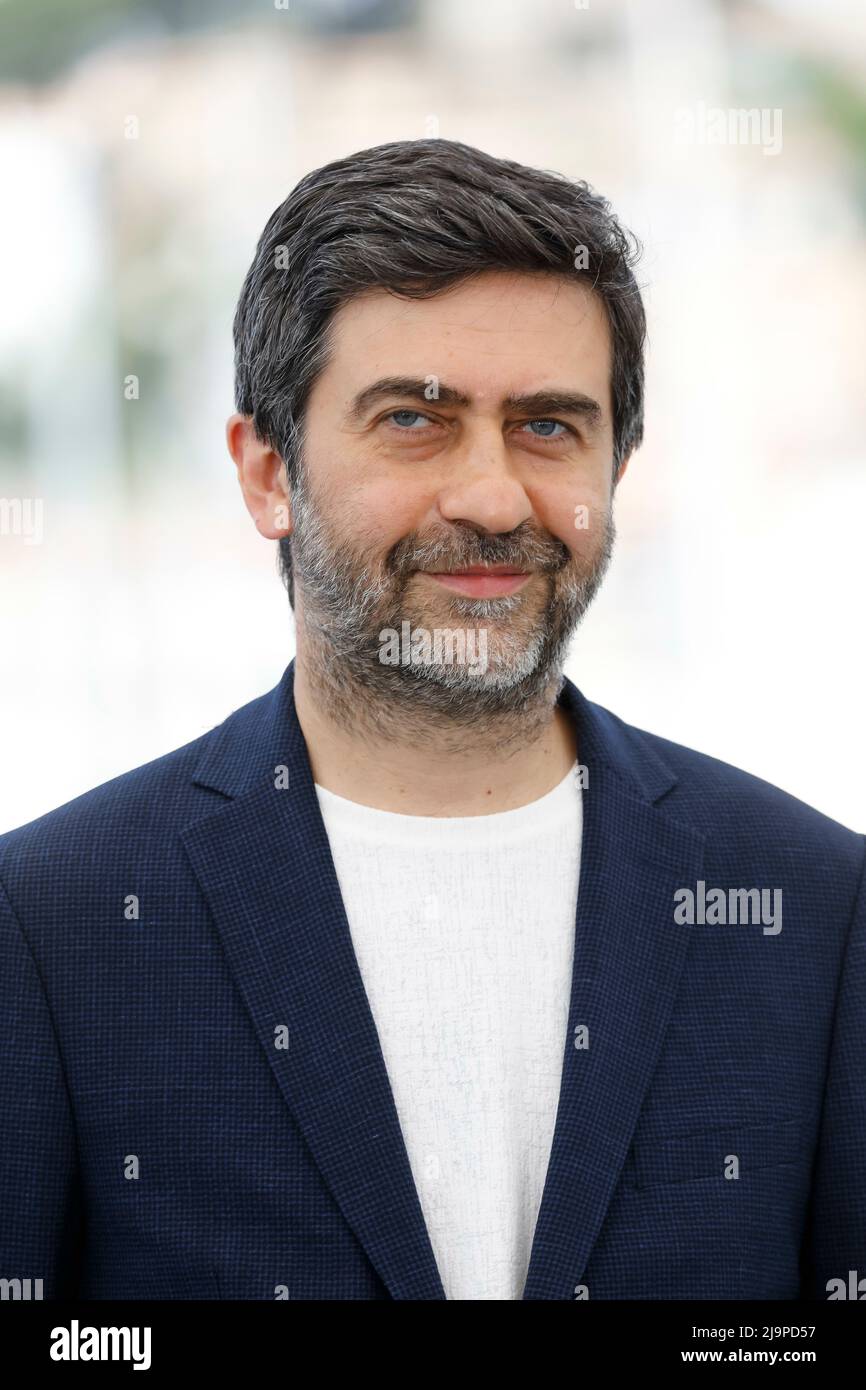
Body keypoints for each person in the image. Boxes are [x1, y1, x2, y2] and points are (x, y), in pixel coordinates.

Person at [1, 139, 863, 1302]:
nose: (493, 497)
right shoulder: (50, 921)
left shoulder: (814, 905)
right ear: (267, 472)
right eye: (413, 419)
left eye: (549, 425)